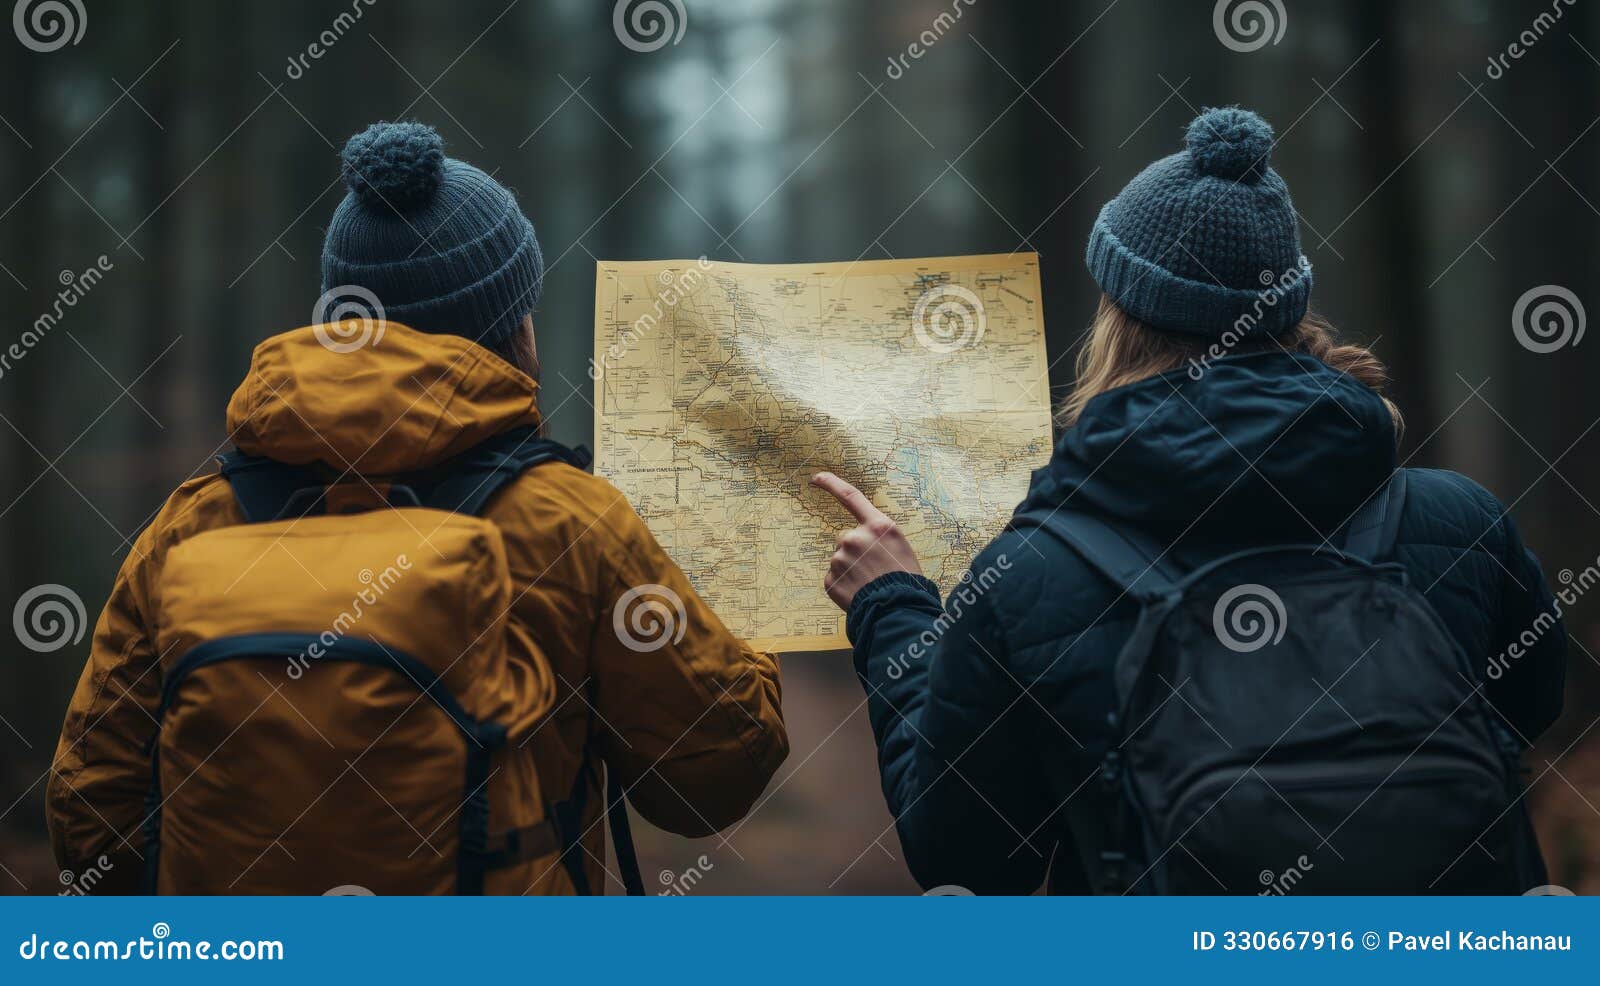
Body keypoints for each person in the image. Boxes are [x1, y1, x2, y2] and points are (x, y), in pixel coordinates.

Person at [813, 106, 1566, 894]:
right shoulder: (1463, 524)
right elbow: (1526, 708)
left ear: (1120, 318)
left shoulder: (1029, 577)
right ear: (1289, 311)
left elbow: (961, 854)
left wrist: (893, 608)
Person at [47, 121, 787, 894]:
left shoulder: (192, 525)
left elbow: (91, 822)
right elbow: (717, 774)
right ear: (514, 333)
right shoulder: (573, 525)